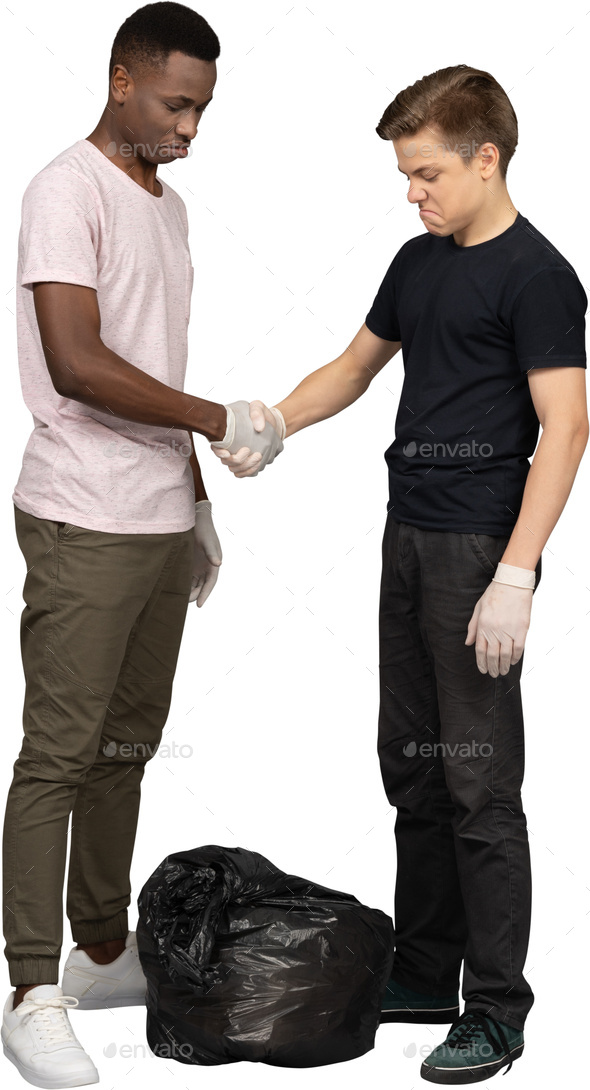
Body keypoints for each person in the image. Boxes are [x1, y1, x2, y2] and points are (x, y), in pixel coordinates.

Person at [210, 66, 589, 1082]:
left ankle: (496, 1009)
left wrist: (515, 572)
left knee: (477, 781)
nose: (409, 192)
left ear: (485, 158)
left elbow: (565, 426)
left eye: (423, 173)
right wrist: (276, 420)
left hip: (476, 553)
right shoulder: (418, 264)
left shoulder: (537, 275)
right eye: (402, 173)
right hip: (404, 537)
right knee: (413, 767)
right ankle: (423, 973)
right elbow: (352, 364)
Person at [2, 4, 285, 1087]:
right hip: (82, 518)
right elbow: (76, 362)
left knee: (125, 747)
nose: (190, 128)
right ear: (121, 80)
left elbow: (151, 357)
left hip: (159, 519)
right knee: (59, 758)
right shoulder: (62, 192)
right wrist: (215, 418)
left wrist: (193, 496)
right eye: (176, 104)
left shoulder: (164, 210)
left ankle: (105, 950)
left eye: (203, 109)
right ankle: (31, 989)